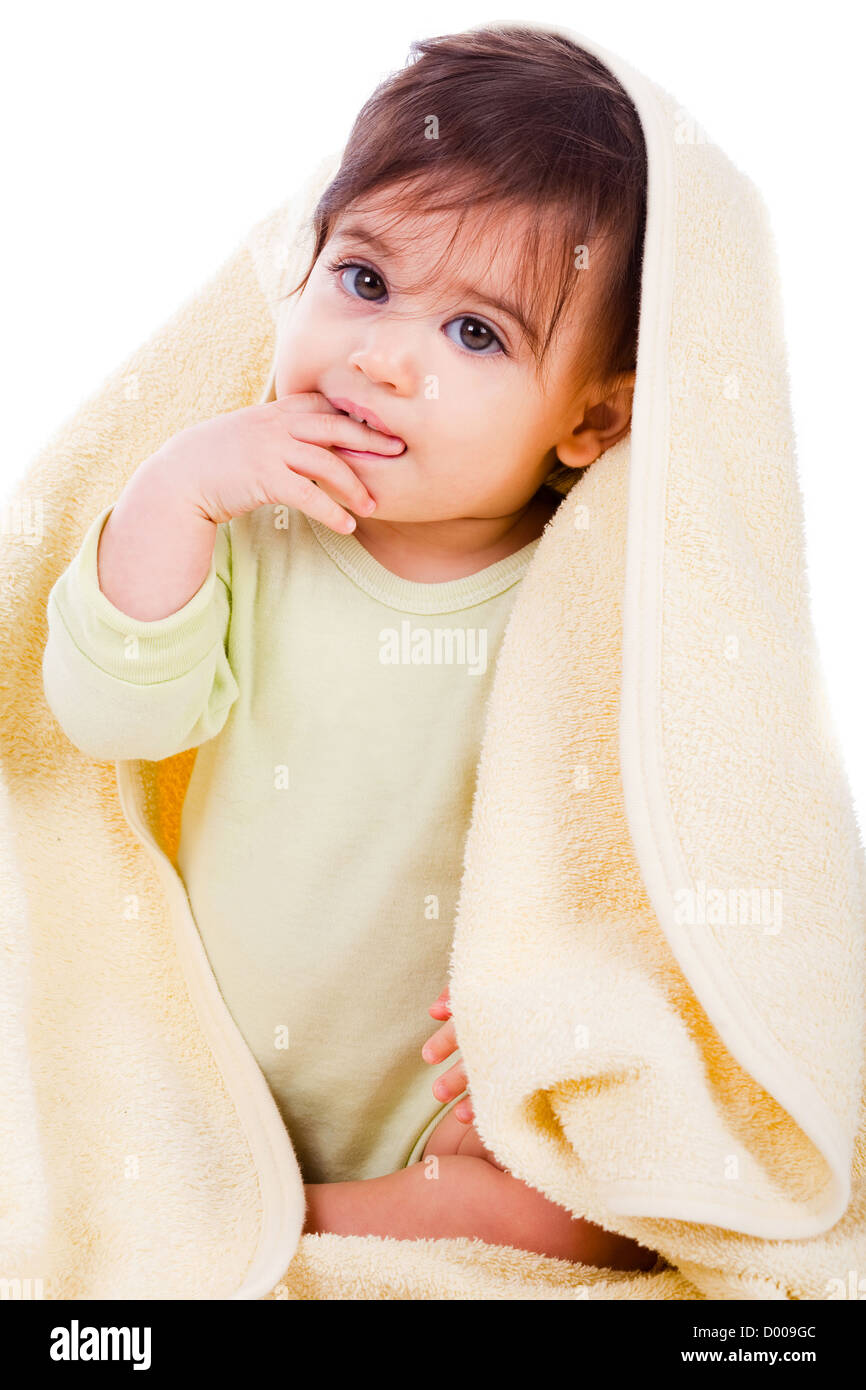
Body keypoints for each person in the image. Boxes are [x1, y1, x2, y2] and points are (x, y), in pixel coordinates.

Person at [43, 24, 660, 1270]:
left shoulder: (586, 605)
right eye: (364, 282)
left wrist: (553, 1028)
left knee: (583, 1212)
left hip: (436, 1110)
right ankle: (211, 1190)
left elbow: (634, 864)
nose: (382, 359)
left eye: (474, 336)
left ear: (590, 418)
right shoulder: (245, 520)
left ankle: (301, 1224)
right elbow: (111, 719)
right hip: (196, 1064)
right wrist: (171, 491)